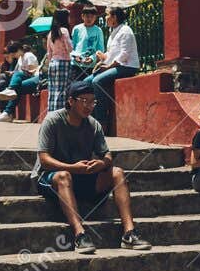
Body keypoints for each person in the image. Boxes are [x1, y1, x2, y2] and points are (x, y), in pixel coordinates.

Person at [32, 80, 152, 254]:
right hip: (51, 179)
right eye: (84, 101)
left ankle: (129, 233)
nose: (89, 106)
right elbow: (44, 159)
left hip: (82, 177)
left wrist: (101, 164)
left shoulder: (93, 124)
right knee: (64, 175)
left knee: (118, 173)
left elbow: (107, 156)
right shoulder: (53, 120)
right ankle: (80, 235)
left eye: (93, 101)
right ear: (71, 101)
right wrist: (73, 168)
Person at [89, 5, 139, 116]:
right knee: (86, 83)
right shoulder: (114, 33)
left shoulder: (125, 31)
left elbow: (124, 54)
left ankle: (101, 118)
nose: (105, 18)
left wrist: (108, 67)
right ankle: (89, 117)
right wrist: (102, 56)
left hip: (127, 67)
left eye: (107, 15)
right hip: (114, 66)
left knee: (97, 82)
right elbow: (112, 53)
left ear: (114, 17)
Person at [0, 41, 43, 121]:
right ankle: (6, 111)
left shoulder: (28, 55)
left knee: (16, 85)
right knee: (12, 80)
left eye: (14, 53)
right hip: (23, 79)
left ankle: (6, 111)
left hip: (33, 78)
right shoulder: (20, 59)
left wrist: (19, 72)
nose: (13, 56)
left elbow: (33, 70)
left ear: (19, 50)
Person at [42, 10, 76, 112]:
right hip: (63, 63)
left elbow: (49, 53)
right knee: (62, 91)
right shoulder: (64, 31)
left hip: (53, 63)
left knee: (52, 91)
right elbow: (70, 48)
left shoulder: (51, 33)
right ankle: (59, 116)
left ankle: (51, 114)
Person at [70, 6, 104, 73]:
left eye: (92, 17)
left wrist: (92, 58)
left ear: (95, 17)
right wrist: (75, 56)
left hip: (91, 66)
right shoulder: (76, 29)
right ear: (82, 16)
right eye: (87, 16)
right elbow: (72, 47)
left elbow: (101, 49)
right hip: (76, 64)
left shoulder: (98, 30)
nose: (89, 19)